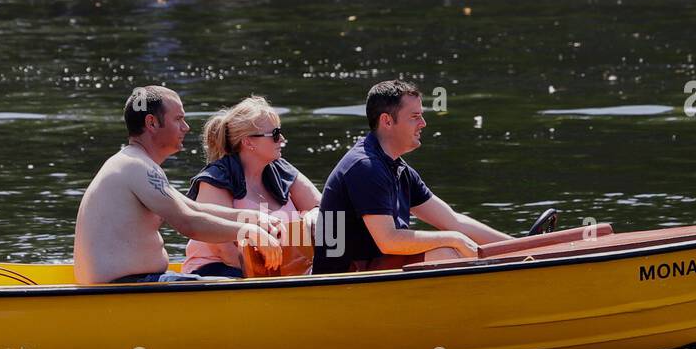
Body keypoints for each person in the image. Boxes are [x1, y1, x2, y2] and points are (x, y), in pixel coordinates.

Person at [73, 85, 284, 284]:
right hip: (124, 288)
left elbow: (193, 208)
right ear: (152, 123)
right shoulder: (136, 166)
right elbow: (188, 223)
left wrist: (255, 219)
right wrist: (249, 231)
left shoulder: (136, 164)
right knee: (227, 285)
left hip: (129, 285)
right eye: (178, 119)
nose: (186, 127)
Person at [312, 79, 512, 274]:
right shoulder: (365, 167)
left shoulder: (397, 168)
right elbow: (388, 240)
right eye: (415, 116)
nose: (423, 123)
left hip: (375, 269)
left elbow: (453, 221)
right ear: (387, 121)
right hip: (342, 281)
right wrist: (454, 239)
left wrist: (517, 245)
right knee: (445, 253)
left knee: (451, 249)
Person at [183, 96, 321, 278]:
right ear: (248, 142)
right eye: (275, 134)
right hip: (220, 272)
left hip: (280, 270)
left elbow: (324, 208)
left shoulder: (282, 169)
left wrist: (314, 214)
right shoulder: (215, 180)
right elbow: (227, 254)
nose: (282, 139)